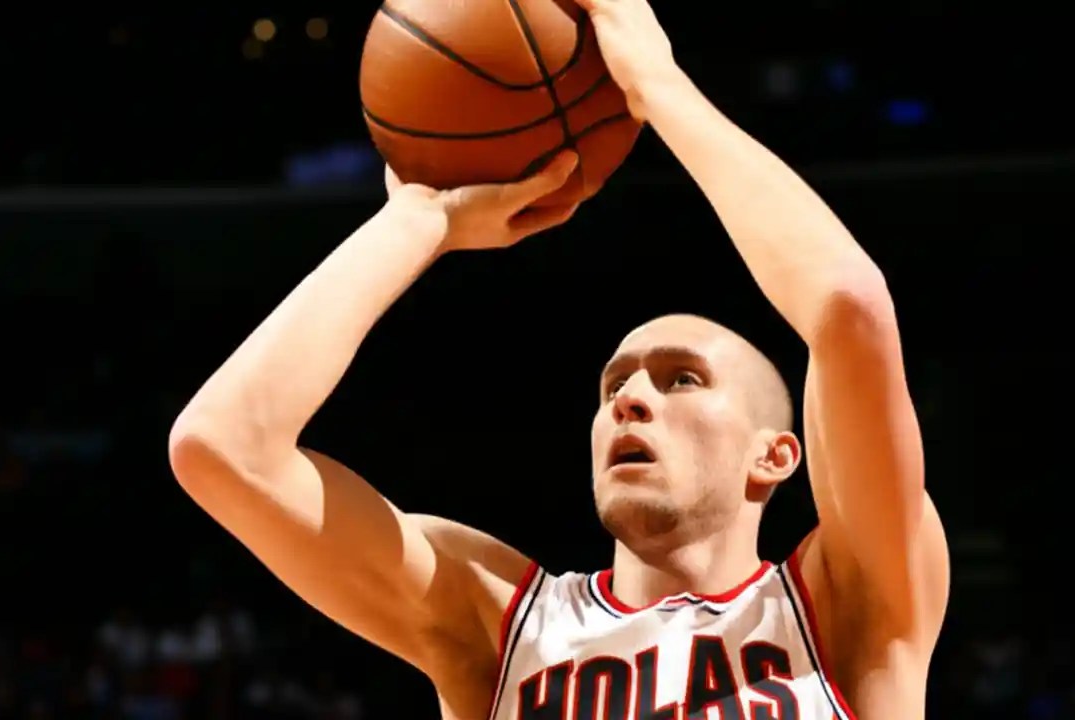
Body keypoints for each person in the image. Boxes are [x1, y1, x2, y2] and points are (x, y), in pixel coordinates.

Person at [168, 0, 950, 717]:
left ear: (775, 457)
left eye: (683, 378)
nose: (630, 401)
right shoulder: (498, 624)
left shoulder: (849, 605)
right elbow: (222, 447)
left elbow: (848, 306)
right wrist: (418, 218)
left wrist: (656, 85)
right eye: (614, 385)